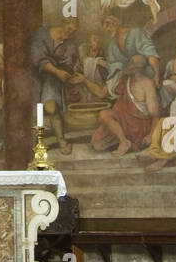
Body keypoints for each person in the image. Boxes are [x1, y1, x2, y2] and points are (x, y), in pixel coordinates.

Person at [90, 15, 163, 157]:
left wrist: (156, 73)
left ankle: (124, 141)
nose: (106, 29)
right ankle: (123, 141)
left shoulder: (135, 33)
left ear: (116, 23)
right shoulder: (124, 77)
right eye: (104, 26)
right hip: (125, 118)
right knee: (97, 143)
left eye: (108, 24)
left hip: (138, 123)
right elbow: (112, 69)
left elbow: (149, 51)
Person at [29, 18, 84, 154]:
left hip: (52, 77)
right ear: (63, 23)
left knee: (52, 107)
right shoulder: (42, 34)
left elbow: (68, 64)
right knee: (34, 109)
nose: (71, 32)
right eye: (69, 28)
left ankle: (61, 140)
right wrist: (57, 70)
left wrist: (66, 74)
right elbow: (37, 58)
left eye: (74, 31)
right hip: (33, 75)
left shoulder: (69, 45)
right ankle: (36, 142)